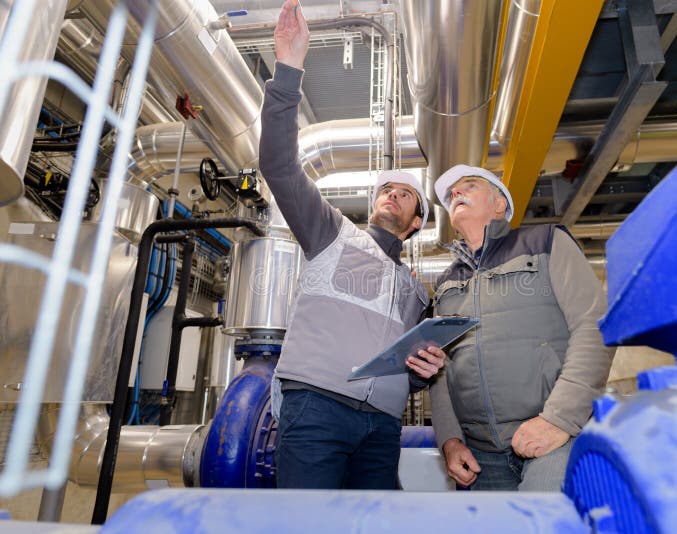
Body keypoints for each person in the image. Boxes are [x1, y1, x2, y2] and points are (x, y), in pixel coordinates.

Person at [258, 0, 446, 489]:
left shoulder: (416, 292)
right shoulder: (332, 232)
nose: (392, 194)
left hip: (382, 424)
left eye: (405, 194)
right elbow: (278, 165)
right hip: (317, 406)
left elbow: (411, 368)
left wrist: (424, 371)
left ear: (416, 223)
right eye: (385, 189)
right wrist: (289, 68)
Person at [428, 164, 615, 492]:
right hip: (480, 454)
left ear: (499, 204)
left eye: (468, 186)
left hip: (554, 435)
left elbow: (594, 325)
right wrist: (451, 440)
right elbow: (441, 369)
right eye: (450, 194)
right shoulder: (446, 283)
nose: (456, 193)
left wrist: (559, 419)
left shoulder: (545, 242)